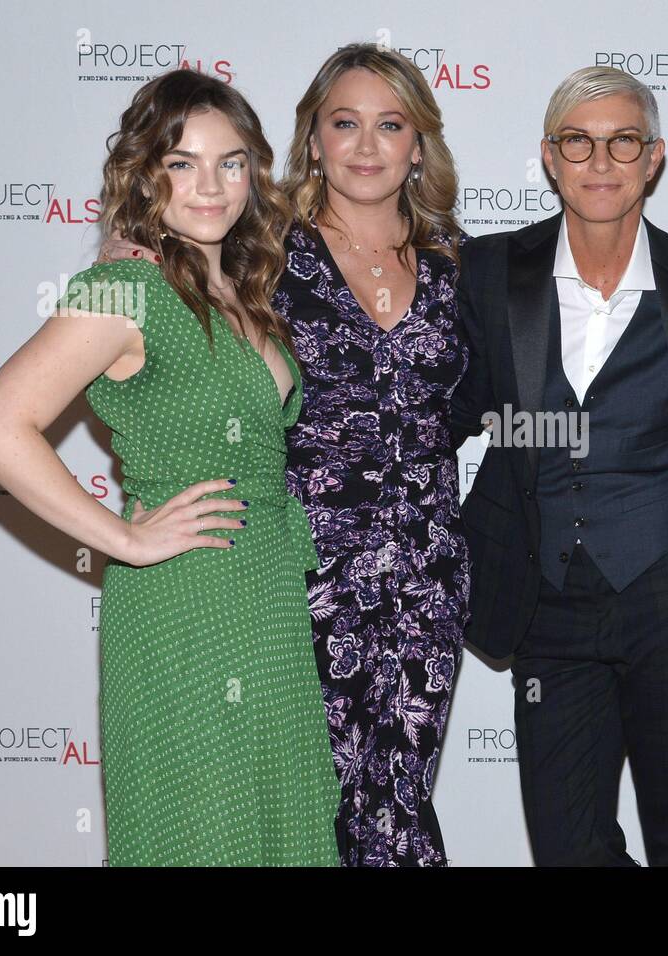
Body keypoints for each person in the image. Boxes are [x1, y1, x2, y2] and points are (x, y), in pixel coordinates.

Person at [0, 69, 342, 866]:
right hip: (186, 604)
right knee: (203, 829)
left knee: (275, 822)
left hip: (267, 595)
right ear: (146, 173)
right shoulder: (125, 289)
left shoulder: (243, 289)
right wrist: (124, 541)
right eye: (182, 163)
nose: (210, 185)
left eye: (231, 163)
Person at [101, 44, 470, 867]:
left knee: (401, 802)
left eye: (390, 125)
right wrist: (124, 252)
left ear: (419, 145)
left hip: (425, 580)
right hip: (295, 574)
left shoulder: (457, 269)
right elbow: (167, 273)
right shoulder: (264, 254)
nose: (367, 146)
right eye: (345, 123)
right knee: (305, 806)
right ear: (313, 141)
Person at [451, 67, 668, 866]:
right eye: (578, 141)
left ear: (653, 158)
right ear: (550, 158)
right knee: (567, 846)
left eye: (623, 141)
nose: (601, 161)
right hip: (545, 602)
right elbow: (441, 409)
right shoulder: (489, 272)